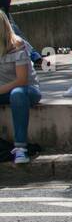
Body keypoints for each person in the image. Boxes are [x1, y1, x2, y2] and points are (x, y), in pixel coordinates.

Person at [0, 10, 40, 164]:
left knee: (16, 93)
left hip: (27, 90)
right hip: (4, 90)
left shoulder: (17, 44)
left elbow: (21, 80)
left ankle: (20, 149)